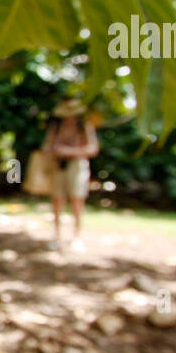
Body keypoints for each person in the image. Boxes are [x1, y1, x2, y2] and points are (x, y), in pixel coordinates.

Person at [42, 98, 99, 250]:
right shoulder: (56, 127)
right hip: (58, 165)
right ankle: (57, 235)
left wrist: (71, 151)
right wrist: (56, 149)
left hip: (77, 165)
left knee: (77, 200)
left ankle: (76, 236)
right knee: (57, 200)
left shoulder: (84, 127)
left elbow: (93, 149)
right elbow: (46, 146)